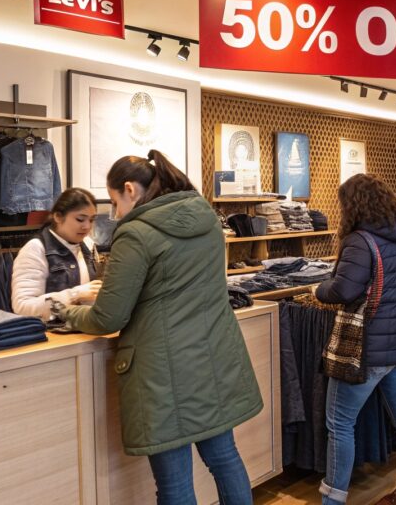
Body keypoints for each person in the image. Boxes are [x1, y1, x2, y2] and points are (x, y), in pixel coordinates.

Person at [56, 150, 262, 504]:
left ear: (129, 190)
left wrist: (67, 314)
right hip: (214, 358)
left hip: (163, 375)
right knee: (225, 459)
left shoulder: (135, 233)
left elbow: (108, 317)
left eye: (115, 202)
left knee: (175, 483)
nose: (115, 213)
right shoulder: (208, 219)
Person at [316, 174, 396, 505]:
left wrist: (317, 289)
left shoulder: (360, 240)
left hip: (368, 348)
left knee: (340, 425)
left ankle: (333, 501)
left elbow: (343, 290)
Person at [11, 187, 102, 320]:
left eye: (92, 220)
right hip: (52, 336)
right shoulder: (35, 249)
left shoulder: (87, 244)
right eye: (80, 219)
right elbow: (22, 307)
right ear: (58, 217)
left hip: (83, 329)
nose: (87, 226)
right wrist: (74, 294)